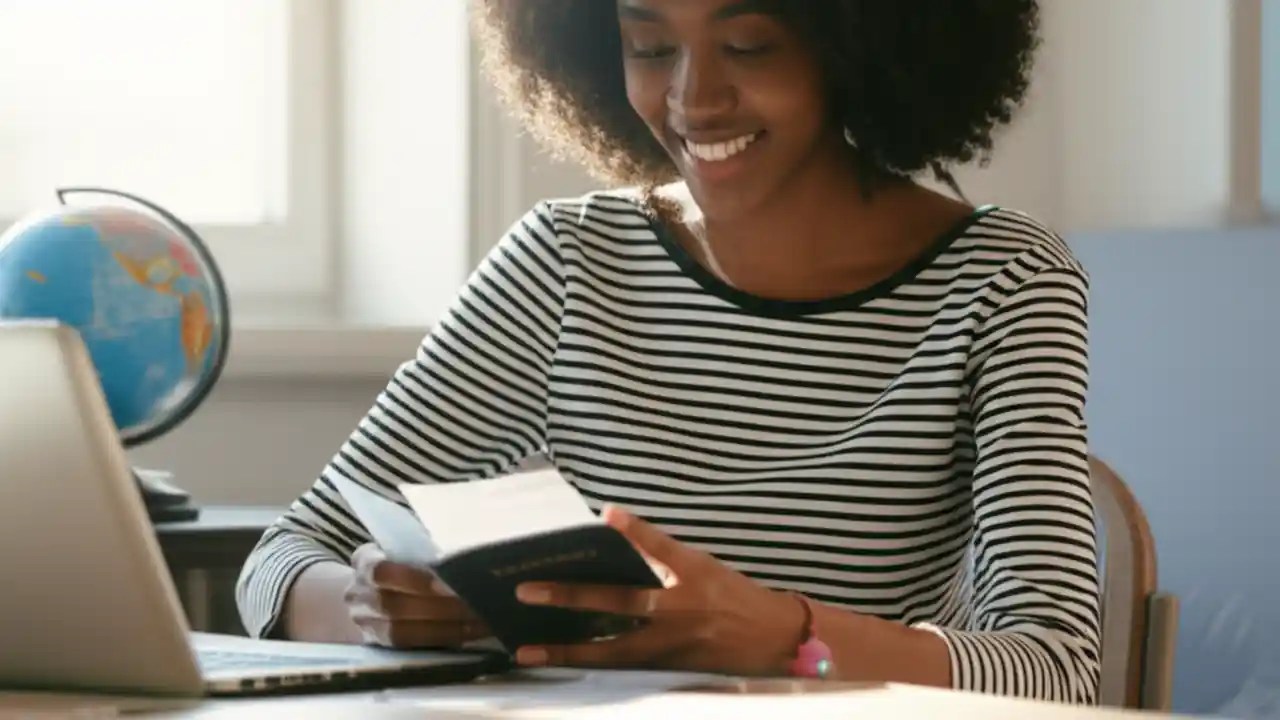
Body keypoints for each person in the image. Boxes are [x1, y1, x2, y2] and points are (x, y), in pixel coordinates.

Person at [237, 0, 1101, 704]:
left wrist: (784, 637)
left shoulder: (1002, 281)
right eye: (649, 47)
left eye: (748, 44)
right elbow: (280, 560)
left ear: (857, 43)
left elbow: (1056, 669)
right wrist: (369, 608)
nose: (694, 97)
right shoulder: (569, 260)